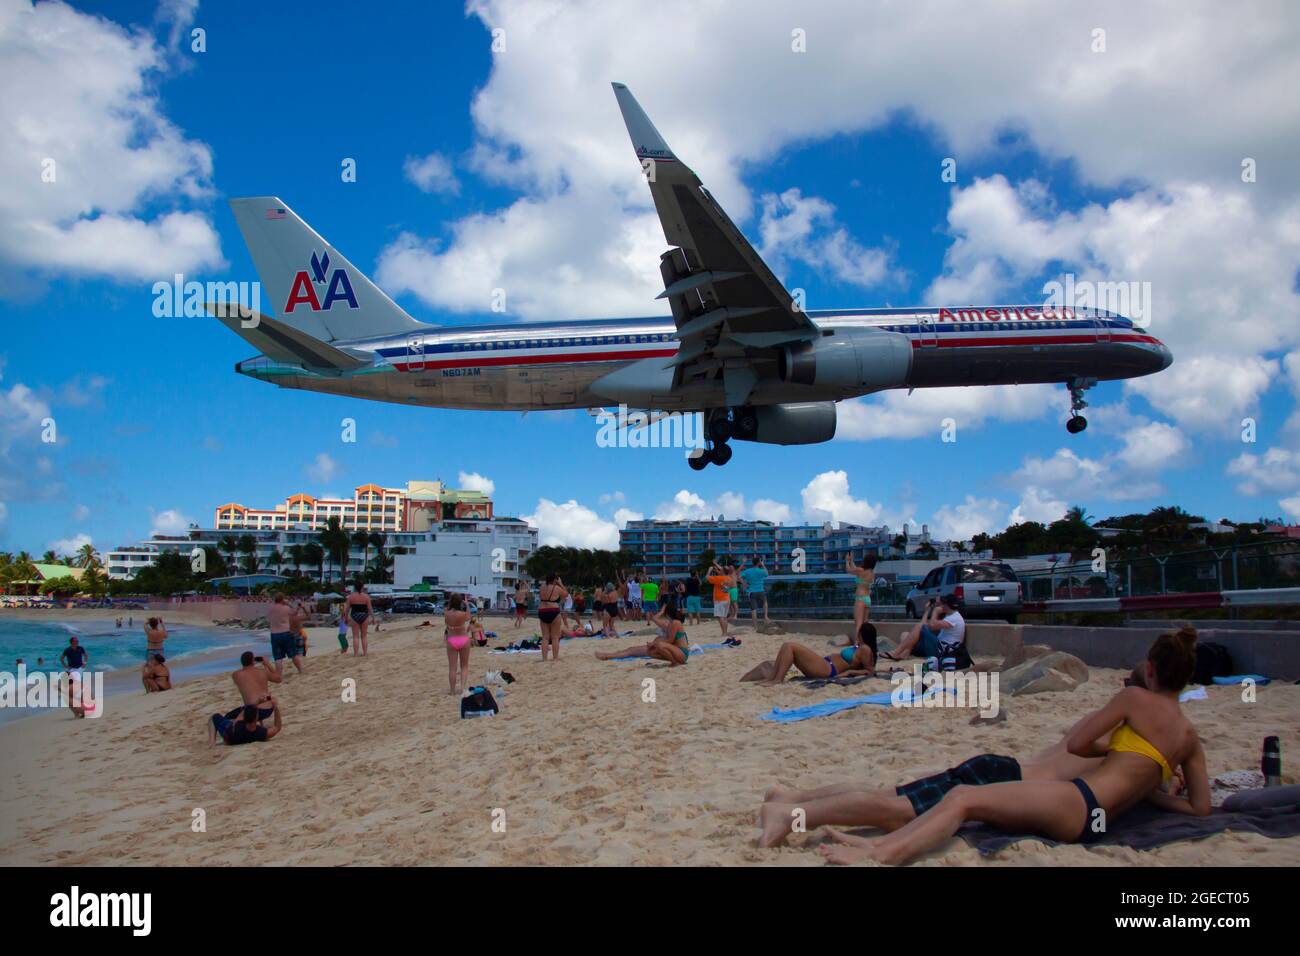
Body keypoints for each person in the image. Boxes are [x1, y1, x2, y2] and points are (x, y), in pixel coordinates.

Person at [821, 626, 1211, 865]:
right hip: (1097, 820)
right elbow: (1200, 807)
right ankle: (878, 844)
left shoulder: (1135, 700)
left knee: (962, 798)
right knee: (963, 797)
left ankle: (883, 853)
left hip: (1077, 803)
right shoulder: (1189, 738)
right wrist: (1150, 791)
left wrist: (1110, 753)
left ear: (1151, 670)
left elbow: (1078, 742)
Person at [758, 719, 1114, 847]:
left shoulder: (1102, 726)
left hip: (1001, 766)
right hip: (1006, 778)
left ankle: (789, 798)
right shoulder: (1128, 753)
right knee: (896, 813)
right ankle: (794, 816)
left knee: (889, 796)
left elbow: (1073, 742)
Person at [745, 622, 878, 685]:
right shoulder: (859, 646)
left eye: (859, 632)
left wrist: (850, 673)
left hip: (828, 669)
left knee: (790, 646)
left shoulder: (865, 649)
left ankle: (778, 679)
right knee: (786, 646)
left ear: (863, 634)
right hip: (825, 664)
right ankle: (772, 678)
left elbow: (870, 670)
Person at [595, 605, 690, 666]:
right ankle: (608, 655)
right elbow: (654, 619)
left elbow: (670, 641)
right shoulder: (669, 624)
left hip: (681, 653)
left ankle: (674, 662)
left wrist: (654, 643)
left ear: (667, 614)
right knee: (640, 651)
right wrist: (661, 611)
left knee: (657, 645)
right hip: (672, 650)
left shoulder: (676, 623)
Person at [886, 593, 965, 660]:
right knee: (905, 634)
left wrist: (935, 611)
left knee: (919, 626)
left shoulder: (955, 618)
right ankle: (905, 654)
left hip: (942, 651)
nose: (941, 606)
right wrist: (927, 611)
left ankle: (897, 652)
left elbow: (931, 625)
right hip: (936, 647)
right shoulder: (949, 616)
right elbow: (923, 625)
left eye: (942, 604)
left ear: (947, 605)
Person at [230, 650, 282, 719]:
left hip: (252, 712)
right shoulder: (263, 672)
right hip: (268, 709)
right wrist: (267, 664)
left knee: (228, 717)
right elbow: (278, 679)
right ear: (253, 661)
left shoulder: (236, 674)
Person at [208, 700, 282, 746]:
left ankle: (212, 742)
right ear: (256, 718)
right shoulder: (262, 733)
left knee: (214, 717)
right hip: (234, 739)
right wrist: (275, 708)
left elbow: (242, 713)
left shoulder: (237, 724)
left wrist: (258, 702)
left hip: (229, 738)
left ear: (245, 717)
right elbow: (277, 727)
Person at [266, 592, 305, 674]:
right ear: (282, 599)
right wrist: (290, 604)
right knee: (293, 654)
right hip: (285, 632)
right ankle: (300, 670)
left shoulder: (270, 608)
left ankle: (279, 674)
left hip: (274, 634)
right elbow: (294, 613)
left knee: (278, 657)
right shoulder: (285, 608)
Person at [444, 594, 473, 695]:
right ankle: (463, 689)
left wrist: (450, 603)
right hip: (463, 639)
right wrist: (467, 604)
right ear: (460, 602)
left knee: (452, 668)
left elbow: (446, 619)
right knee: (464, 666)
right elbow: (469, 617)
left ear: (451, 602)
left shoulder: (447, 613)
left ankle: (452, 691)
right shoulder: (462, 614)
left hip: (452, 640)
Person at [537, 573, 569, 661]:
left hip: (542, 610)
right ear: (555, 580)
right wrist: (560, 583)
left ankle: (544, 659)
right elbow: (566, 595)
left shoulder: (542, 587)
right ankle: (555, 658)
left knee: (545, 637)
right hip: (553, 610)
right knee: (555, 637)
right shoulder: (557, 588)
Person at [846, 552, 877, 636]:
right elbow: (856, 569)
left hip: (860, 598)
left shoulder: (861, 571)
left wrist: (847, 561)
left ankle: (857, 644)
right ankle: (865, 642)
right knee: (865, 623)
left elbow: (849, 570)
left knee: (858, 624)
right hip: (867, 599)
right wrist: (851, 560)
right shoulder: (872, 573)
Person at [705, 563, 734, 639]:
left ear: (723, 572)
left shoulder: (719, 578)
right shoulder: (729, 578)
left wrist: (709, 570)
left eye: (720, 570)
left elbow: (707, 578)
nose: (719, 570)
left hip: (720, 600)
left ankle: (724, 633)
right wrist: (717, 570)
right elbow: (728, 584)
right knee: (724, 617)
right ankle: (725, 632)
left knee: (720, 617)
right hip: (726, 599)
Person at [345, 580, 374, 656]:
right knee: (364, 636)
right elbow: (370, 608)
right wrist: (373, 618)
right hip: (364, 615)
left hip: (354, 616)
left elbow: (347, 609)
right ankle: (365, 653)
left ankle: (356, 654)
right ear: (362, 587)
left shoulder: (351, 597)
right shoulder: (366, 596)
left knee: (355, 636)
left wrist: (346, 618)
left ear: (355, 587)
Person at [741, 557, 770, 625]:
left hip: (751, 591)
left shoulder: (748, 571)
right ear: (759, 562)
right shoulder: (761, 570)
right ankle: (765, 616)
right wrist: (763, 565)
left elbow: (739, 577)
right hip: (760, 590)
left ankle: (755, 626)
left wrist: (744, 584)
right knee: (765, 603)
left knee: (753, 609)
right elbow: (767, 573)